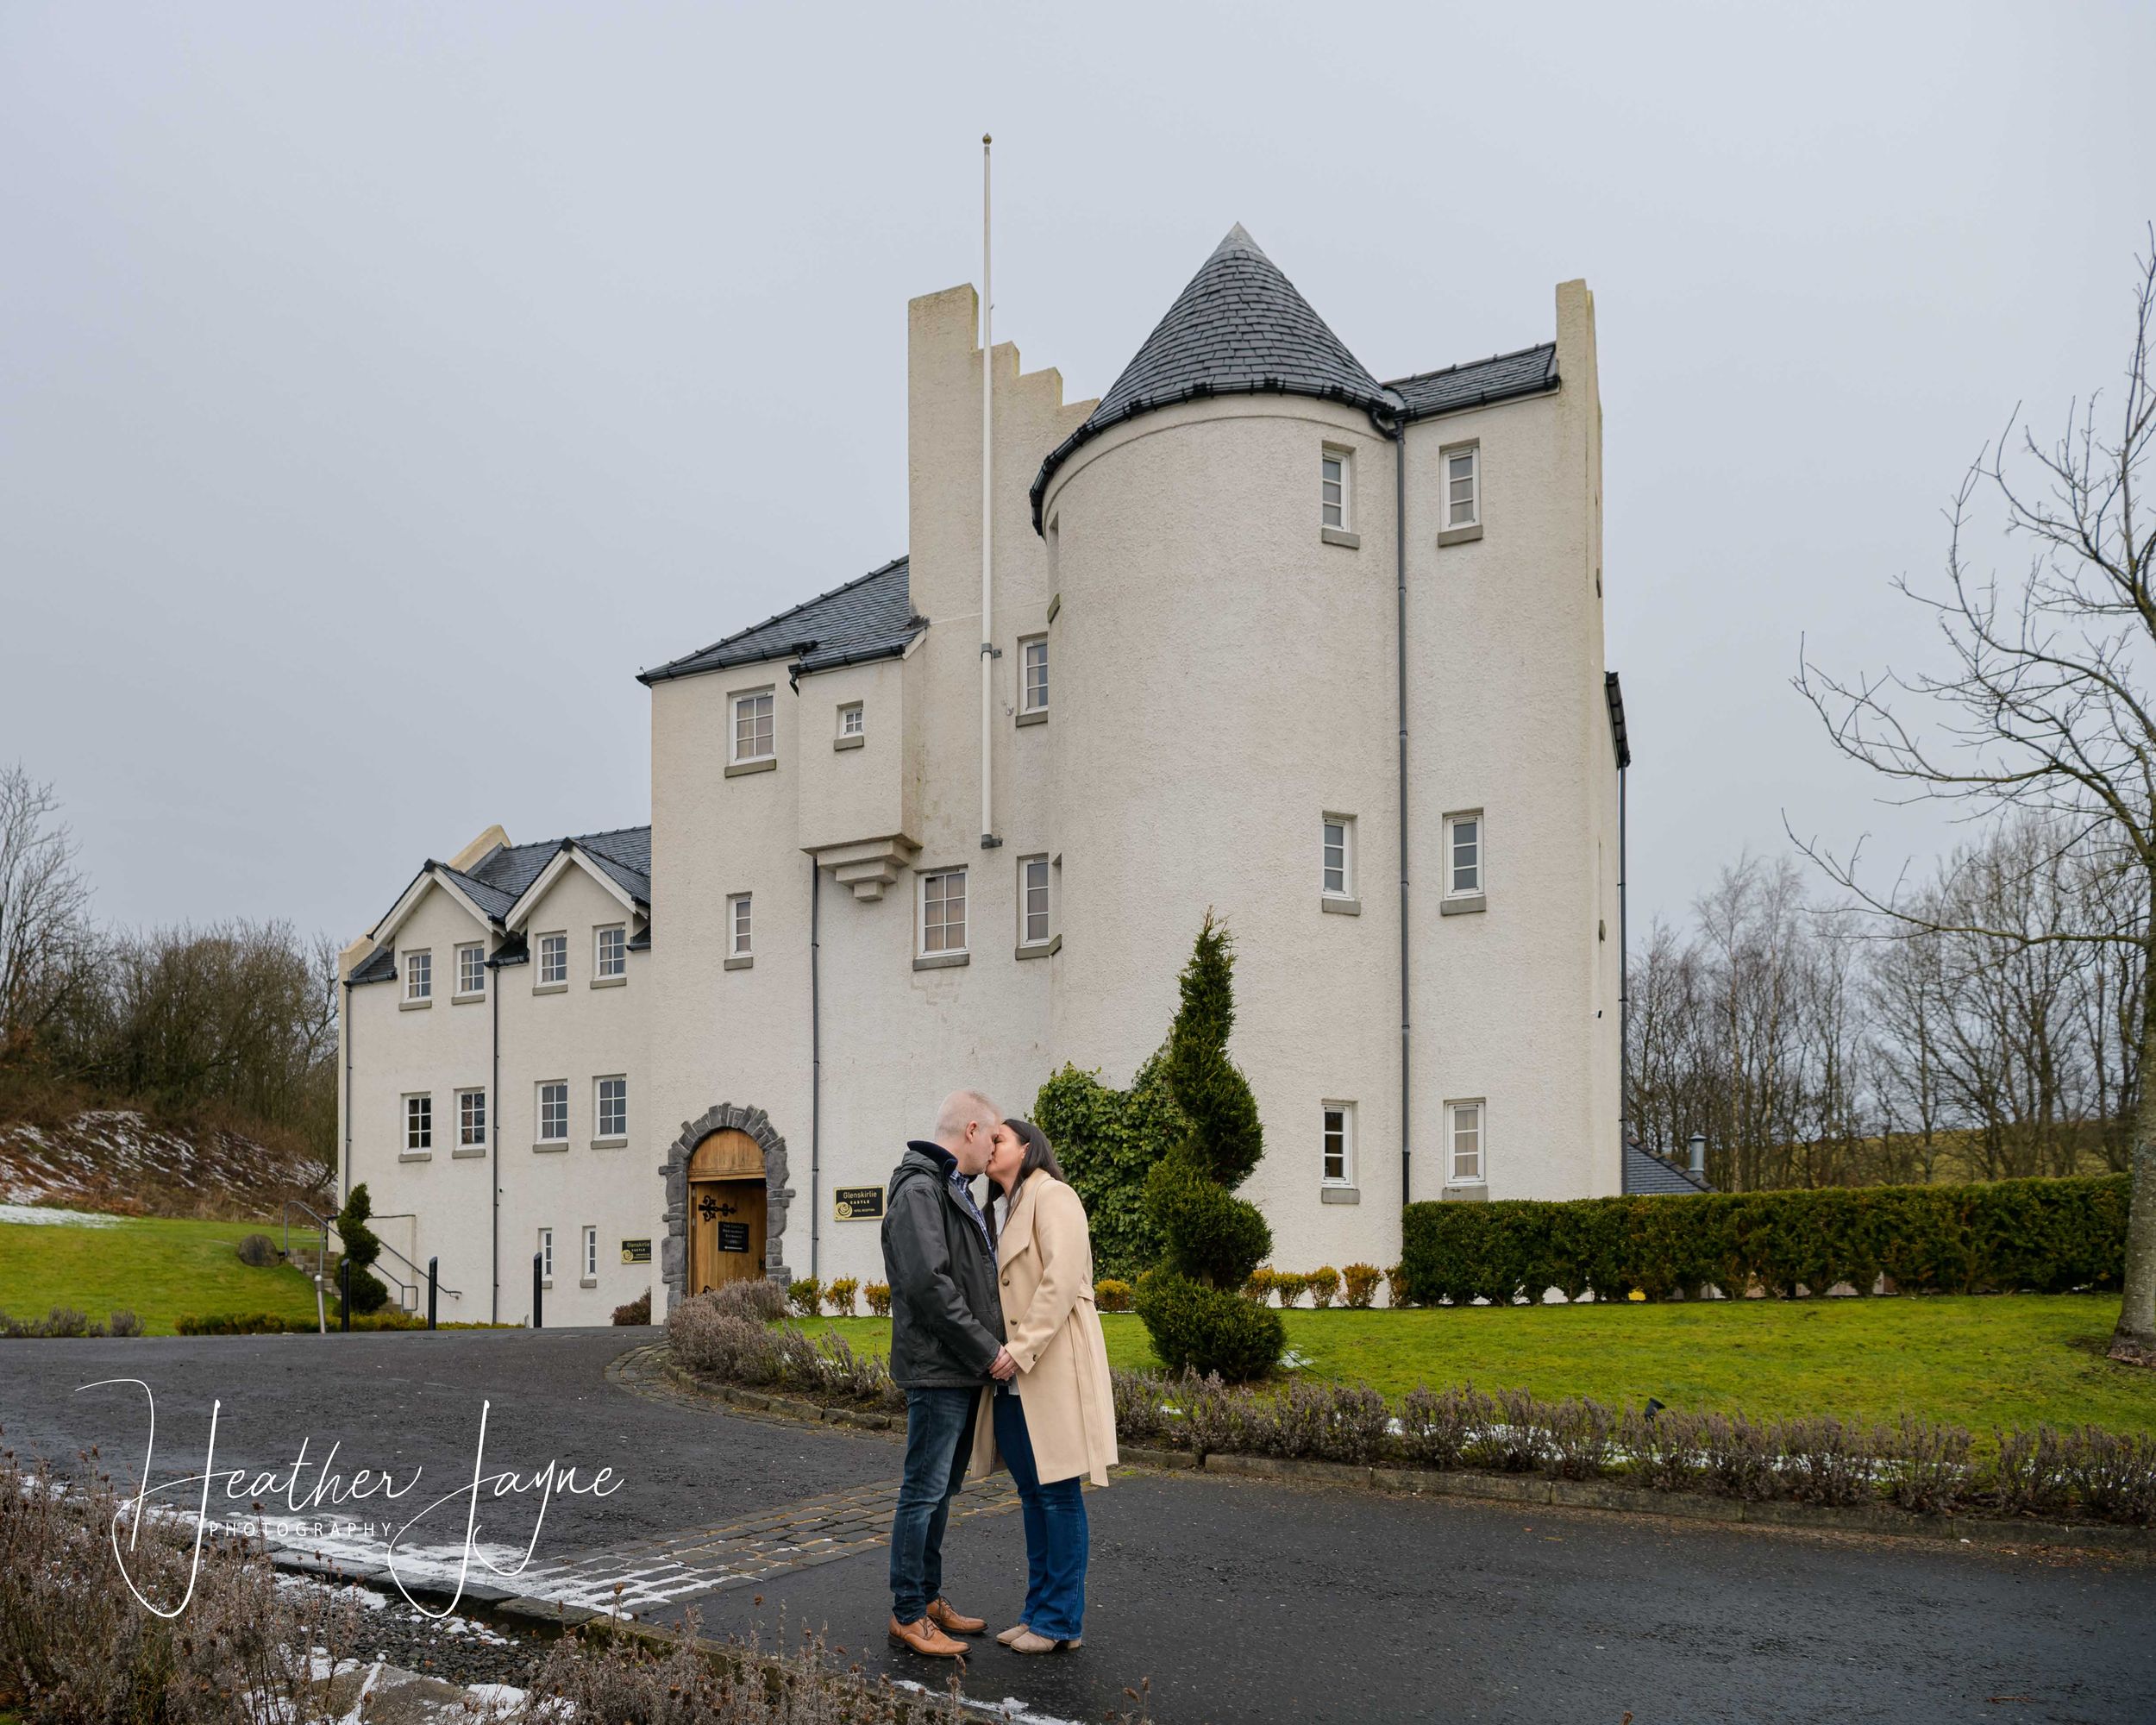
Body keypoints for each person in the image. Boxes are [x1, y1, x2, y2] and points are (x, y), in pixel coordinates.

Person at [968, 1117, 1118, 1654]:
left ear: (1027, 1147)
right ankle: (1037, 1612)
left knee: (1057, 1494)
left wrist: (1021, 1348)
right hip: (1009, 1373)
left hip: (1047, 1364)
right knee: (1032, 1495)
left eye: (999, 1139)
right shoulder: (997, 1209)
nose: (989, 1146)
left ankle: (1060, 1623)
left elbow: (1061, 1280)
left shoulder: (1053, 1195)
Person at [880, 1088, 1018, 1659]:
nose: (995, 1147)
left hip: (955, 1367)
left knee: (940, 1492)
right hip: (939, 1368)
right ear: (970, 1131)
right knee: (923, 1492)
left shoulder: (947, 1187)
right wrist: (988, 1350)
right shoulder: (920, 1189)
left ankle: (928, 1597)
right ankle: (908, 1613)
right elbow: (929, 1285)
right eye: (993, 1135)